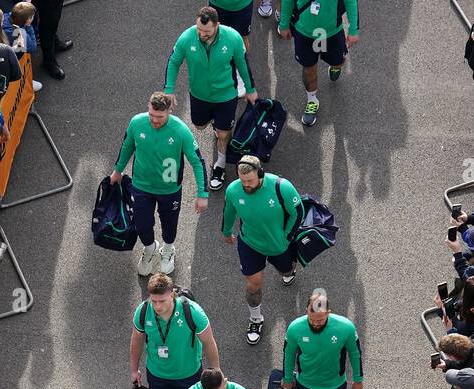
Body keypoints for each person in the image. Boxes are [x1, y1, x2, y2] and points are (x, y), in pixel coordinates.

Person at [110, 91, 209, 278]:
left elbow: (198, 161)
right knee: (141, 224)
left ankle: (168, 249)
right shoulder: (136, 123)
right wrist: (117, 170)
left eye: (160, 117)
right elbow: (127, 146)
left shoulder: (180, 130)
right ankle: (149, 248)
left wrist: (202, 194)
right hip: (141, 186)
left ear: (169, 111)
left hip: (169, 190)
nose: (154, 120)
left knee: (169, 224)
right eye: (151, 115)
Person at [163, 6, 258, 191]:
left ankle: (220, 166)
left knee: (223, 134)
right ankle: (218, 125)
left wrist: (250, 89)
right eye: (199, 29)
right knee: (199, 125)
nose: (201, 34)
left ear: (217, 26)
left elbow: (243, 64)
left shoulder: (232, 38)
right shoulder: (187, 37)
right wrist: (168, 89)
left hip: (225, 96)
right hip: (199, 95)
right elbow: (174, 61)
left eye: (206, 31)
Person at [220, 156, 303, 344]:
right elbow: (228, 212)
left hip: (278, 244)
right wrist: (225, 231)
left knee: (286, 270)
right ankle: (256, 319)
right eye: (242, 181)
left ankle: (289, 269)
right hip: (250, 243)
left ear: (260, 174)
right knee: (253, 284)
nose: (246, 185)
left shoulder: (282, 187)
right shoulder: (234, 190)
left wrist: (287, 237)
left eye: (249, 181)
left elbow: (298, 213)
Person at [278, 0, 361, 127]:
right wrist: (284, 24)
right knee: (308, 69)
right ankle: (312, 100)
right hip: (304, 33)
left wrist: (353, 29)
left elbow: (350, 2)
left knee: (338, 62)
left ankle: (335, 67)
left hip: (332, 33)